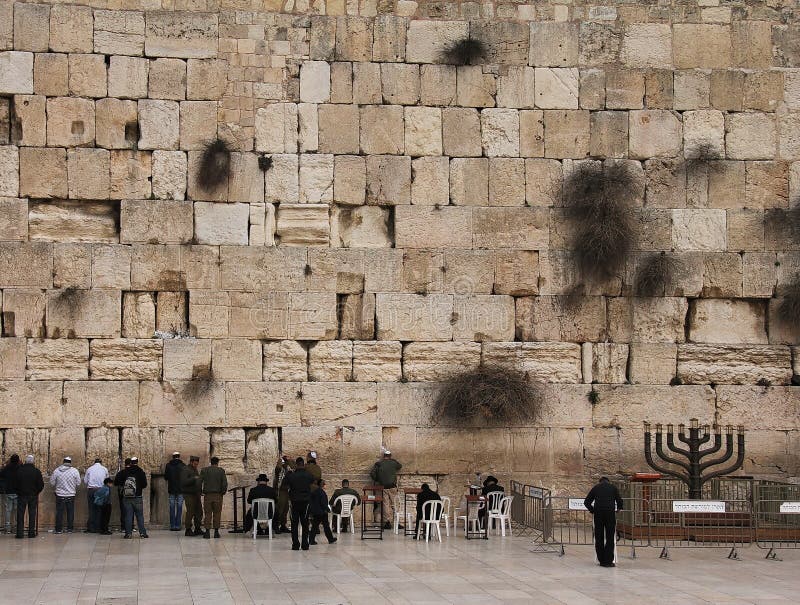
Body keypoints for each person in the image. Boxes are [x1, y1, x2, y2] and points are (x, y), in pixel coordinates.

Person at [584, 477, 624, 568]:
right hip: (610, 513)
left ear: (600, 481)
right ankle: (608, 561)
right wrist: (619, 509)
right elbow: (619, 500)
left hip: (598, 514)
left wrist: (593, 510)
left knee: (599, 537)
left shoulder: (596, 487)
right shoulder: (613, 488)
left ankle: (601, 560)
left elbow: (586, 502)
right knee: (610, 537)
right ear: (608, 481)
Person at [282, 457, 314, 551]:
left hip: (294, 502)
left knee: (294, 524)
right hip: (305, 502)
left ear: (296, 464)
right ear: (303, 464)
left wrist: (289, 473)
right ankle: (305, 544)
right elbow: (312, 481)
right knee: (305, 523)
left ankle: (295, 545)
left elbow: (284, 484)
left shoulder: (291, 475)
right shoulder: (308, 475)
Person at [116, 456, 148, 539]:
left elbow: (117, 482)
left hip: (127, 497)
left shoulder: (124, 472)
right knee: (140, 516)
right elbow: (145, 484)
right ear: (137, 462)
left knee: (128, 515)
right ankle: (142, 533)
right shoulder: (140, 471)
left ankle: (128, 534)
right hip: (138, 496)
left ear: (130, 463)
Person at [370, 450, 402, 529]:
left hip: (383, 487)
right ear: (390, 456)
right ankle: (396, 522)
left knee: (385, 505)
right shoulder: (393, 463)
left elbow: (372, 474)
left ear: (383, 456)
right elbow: (400, 466)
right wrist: (393, 460)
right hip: (392, 487)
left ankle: (387, 522)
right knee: (395, 504)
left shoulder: (379, 464)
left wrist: (378, 479)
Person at [15, 455, 44, 539]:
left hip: (21, 495)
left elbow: (15, 483)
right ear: (33, 462)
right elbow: (41, 485)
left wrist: (18, 492)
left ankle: (20, 533)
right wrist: (36, 492)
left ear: (25, 461)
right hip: (33, 495)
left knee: (20, 515)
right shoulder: (36, 471)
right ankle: (31, 533)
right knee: (32, 514)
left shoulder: (19, 471)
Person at [51, 456, 81, 534]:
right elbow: (78, 483)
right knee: (70, 512)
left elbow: (52, 482)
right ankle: (70, 529)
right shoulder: (75, 471)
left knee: (59, 512)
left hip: (60, 495)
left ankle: (58, 529)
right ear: (70, 463)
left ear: (63, 462)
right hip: (71, 495)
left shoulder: (57, 471)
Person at [200, 456, 227, 539]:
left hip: (208, 495)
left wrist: (200, 491)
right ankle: (216, 532)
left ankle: (207, 532)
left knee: (208, 513)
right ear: (217, 463)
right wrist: (222, 492)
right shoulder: (221, 471)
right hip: (218, 495)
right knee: (217, 513)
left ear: (210, 462)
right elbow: (224, 483)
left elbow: (199, 481)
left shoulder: (204, 470)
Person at [83, 458, 109, 533]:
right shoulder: (104, 469)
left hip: (91, 490)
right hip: (101, 490)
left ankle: (91, 528)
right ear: (101, 463)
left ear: (94, 462)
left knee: (91, 509)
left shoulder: (89, 469)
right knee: (100, 509)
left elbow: (85, 481)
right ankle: (99, 527)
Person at [309, 479, 337, 546]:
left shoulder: (314, 492)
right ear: (322, 485)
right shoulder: (322, 493)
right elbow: (323, 503)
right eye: (324, 484)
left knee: (315, 526)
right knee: (326, 526)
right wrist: (328, 509)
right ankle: (330, 539)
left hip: (316, 512)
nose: (325, 485)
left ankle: (311, 540)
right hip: (322, 512)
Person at [181, 456, 203, 537]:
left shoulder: (195, 469)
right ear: (191, 462)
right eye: (195, 463)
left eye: (197, 464)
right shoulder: (185, 469)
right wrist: (193, 478)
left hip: (196, 494)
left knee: (199, 511)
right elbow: (183, 482)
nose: (196, 465)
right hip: (189, 494)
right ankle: (188, 529)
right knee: (190, 512)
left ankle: (197, 528)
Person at [163, 452, 186, 531]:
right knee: (179, 507)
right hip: (180, 490)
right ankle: (178, 525)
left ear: (172, 457)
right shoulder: (183, 466)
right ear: (179, 457)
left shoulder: (168, 465)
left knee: (172, 507)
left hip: (171, 489)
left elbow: (166, 477)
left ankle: (172, 525)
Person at [273, 455, 293, 534]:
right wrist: (281, 460)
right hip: (280, 491)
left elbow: (293, 467)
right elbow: (278, 467)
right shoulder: (279, 469)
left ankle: (283, 525)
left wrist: (288, 461)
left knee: (286, 509)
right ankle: (276, 526)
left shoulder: (287, 469)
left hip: (286, 491)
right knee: (279, 509)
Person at [0, 454, 20, 534]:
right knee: (16, 510)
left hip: (8, 492)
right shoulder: (20, 468)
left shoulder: (6, 468)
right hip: (17, 492)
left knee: (8, 510)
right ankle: (15, 527)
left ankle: (7, 528)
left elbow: (1, 475)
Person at [114, 458, 132, 530]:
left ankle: (123, 527)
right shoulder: (133, 472)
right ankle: (131, 526)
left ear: (125, 464)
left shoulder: (120, 473)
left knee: (123, 509)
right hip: (132, 493)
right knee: (131, 510)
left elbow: (115, 483)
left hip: (122, 493)